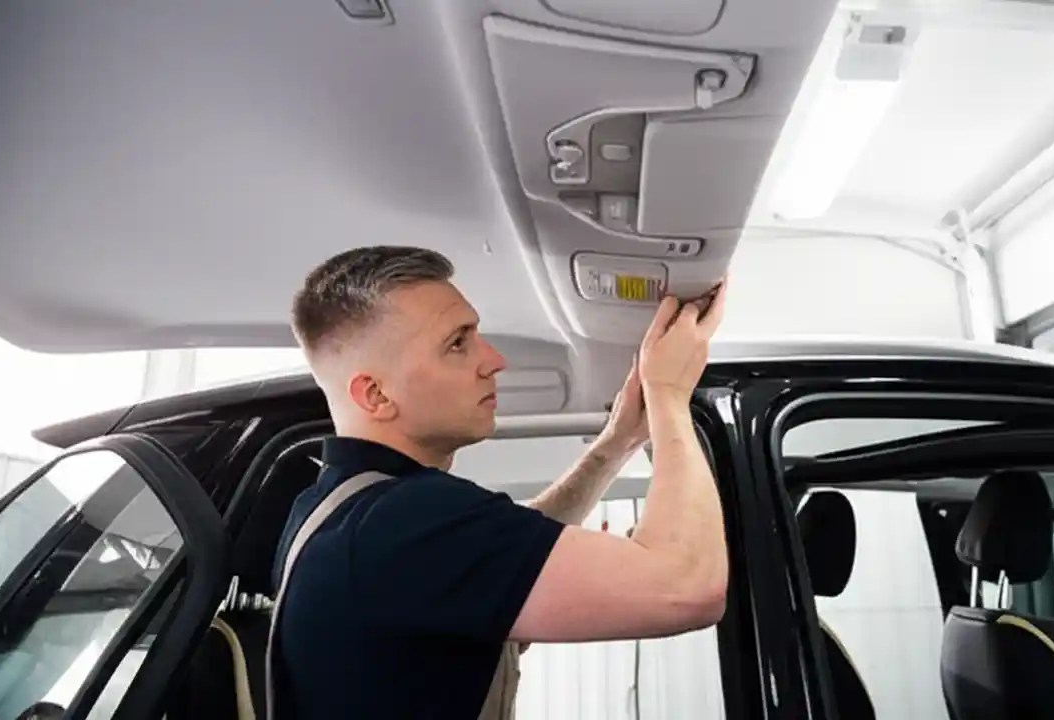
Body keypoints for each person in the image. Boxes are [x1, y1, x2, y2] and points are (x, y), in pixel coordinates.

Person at [271, 245, 729, 719]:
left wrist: (614, 446)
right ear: (376, 394)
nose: (493, 360)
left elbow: (501, 556)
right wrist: (670, 394)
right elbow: (688, 586)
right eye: (457, 343)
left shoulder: (340, 509)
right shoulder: (404, 523)